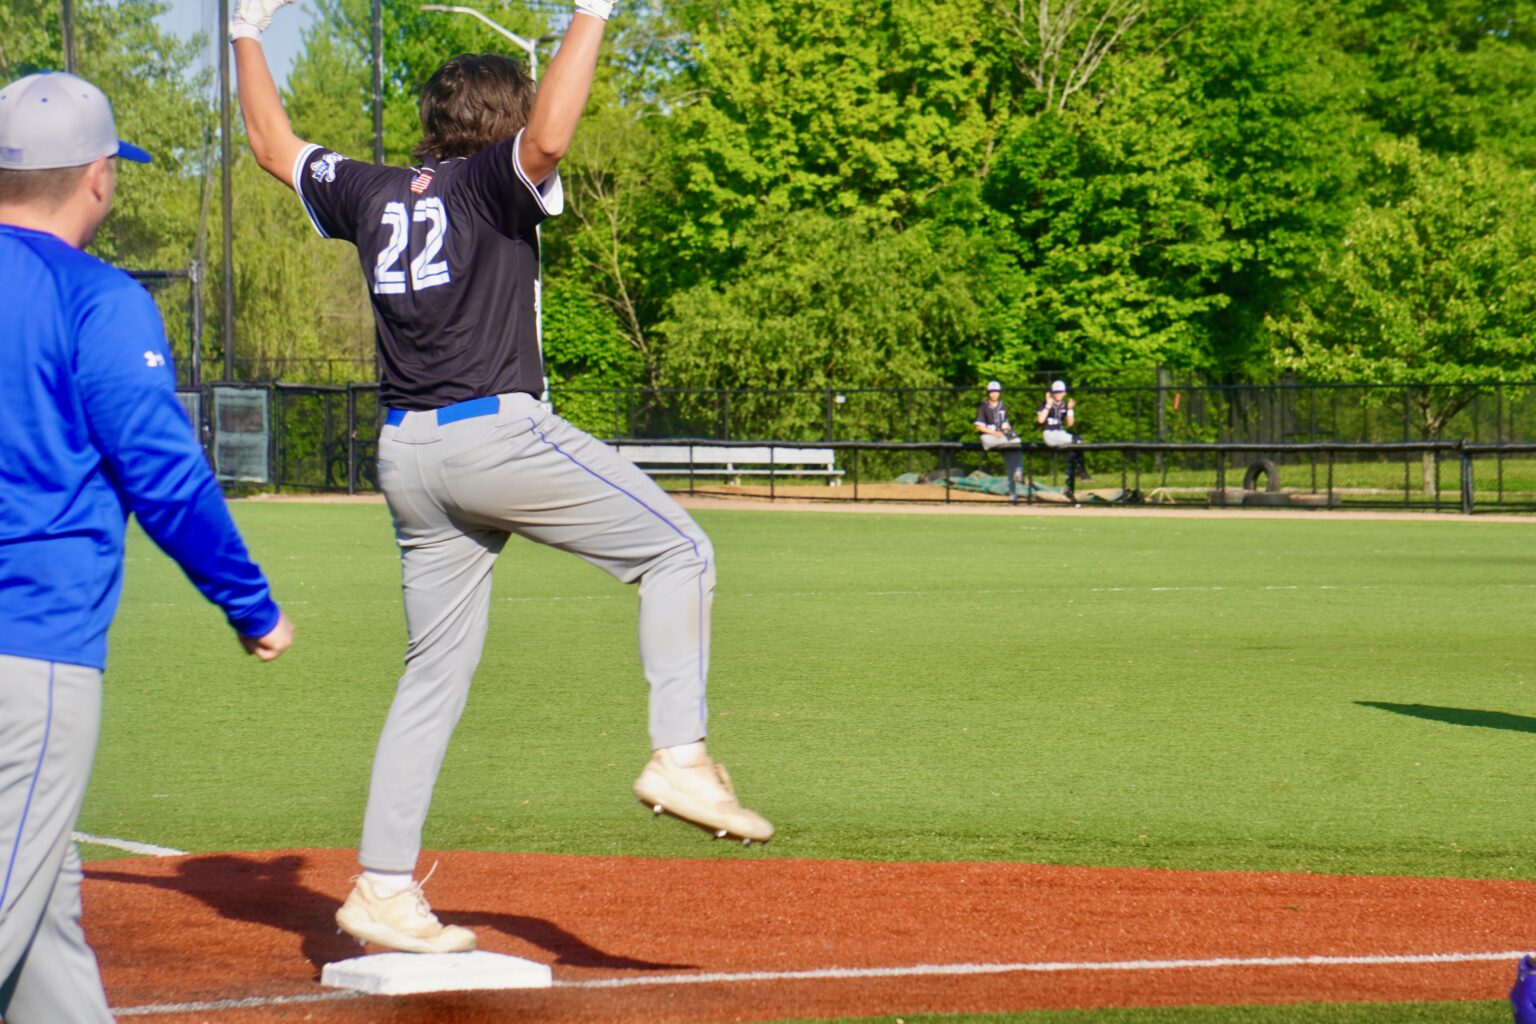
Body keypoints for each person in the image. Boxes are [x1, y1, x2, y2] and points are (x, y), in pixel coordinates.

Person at [231, 0, 772, 955]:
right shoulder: (489, 182)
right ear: (499, 122)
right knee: (679, 549)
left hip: (406, 458)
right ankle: (681, 754)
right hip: (494, 439)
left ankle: (384, 889)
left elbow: (274, 147)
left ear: (435, 119)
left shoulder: (370, 189)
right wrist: (592, 14)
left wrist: (243, 31)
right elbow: (553, 135)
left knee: (430, 678)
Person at [0, 71, 293, 1023]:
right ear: (97, 177)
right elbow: (163, 474)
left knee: (42, 923)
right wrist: (249, 603)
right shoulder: (96, 298)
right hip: (29, 646)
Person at [1037, 379, 1091, 499]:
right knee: (1077, 440)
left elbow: (1070, 423)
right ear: (1052, 393)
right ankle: (1081, 471)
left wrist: (1070, 409)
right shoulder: (1045, 403)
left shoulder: (1064, 405)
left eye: (1060, 392)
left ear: (1064, 393)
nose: (1058, 394)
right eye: (1056, 392)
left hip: (1060, 434)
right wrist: (1048, 405)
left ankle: (1072, 482)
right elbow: (1040, 420)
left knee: (1074, 449)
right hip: (1050, 434)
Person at [974, 381, 1024, 504]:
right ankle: (1016, 468)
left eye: (996, 391)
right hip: (990, 438)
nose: (994, 394)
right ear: (988, 393)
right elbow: (978, 427)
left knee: (1017, 443)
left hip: (1001, 439)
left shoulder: (1003, 406)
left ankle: (1017, 479)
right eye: (992, 391)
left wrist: (1007, 428)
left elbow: (1005, 425)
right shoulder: (983, 407)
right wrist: (995, 433)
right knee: (989, 440)